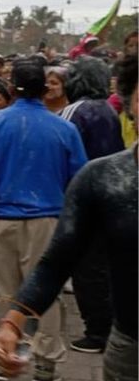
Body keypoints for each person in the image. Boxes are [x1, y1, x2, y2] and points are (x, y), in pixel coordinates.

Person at [0, 52, 137, 381]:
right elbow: (57, 261)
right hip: (133, 358)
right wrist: (13, 322)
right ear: (129, 103)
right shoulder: (106, 178)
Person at [0, 59, 87, 381]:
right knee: (45, 293)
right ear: (45, 88)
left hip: (2, 219)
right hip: (49, 219)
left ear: (10, 88)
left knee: (0, 291)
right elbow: (79, 177)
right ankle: (46, 363)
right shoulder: (64, 128)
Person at [58, 56, 126, 353]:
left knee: (86, 268)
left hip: (83, 198)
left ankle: (97, 332)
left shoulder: (75, 111)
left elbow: (58, 149)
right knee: (101, 266)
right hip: (110, 194)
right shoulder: (107, 110)